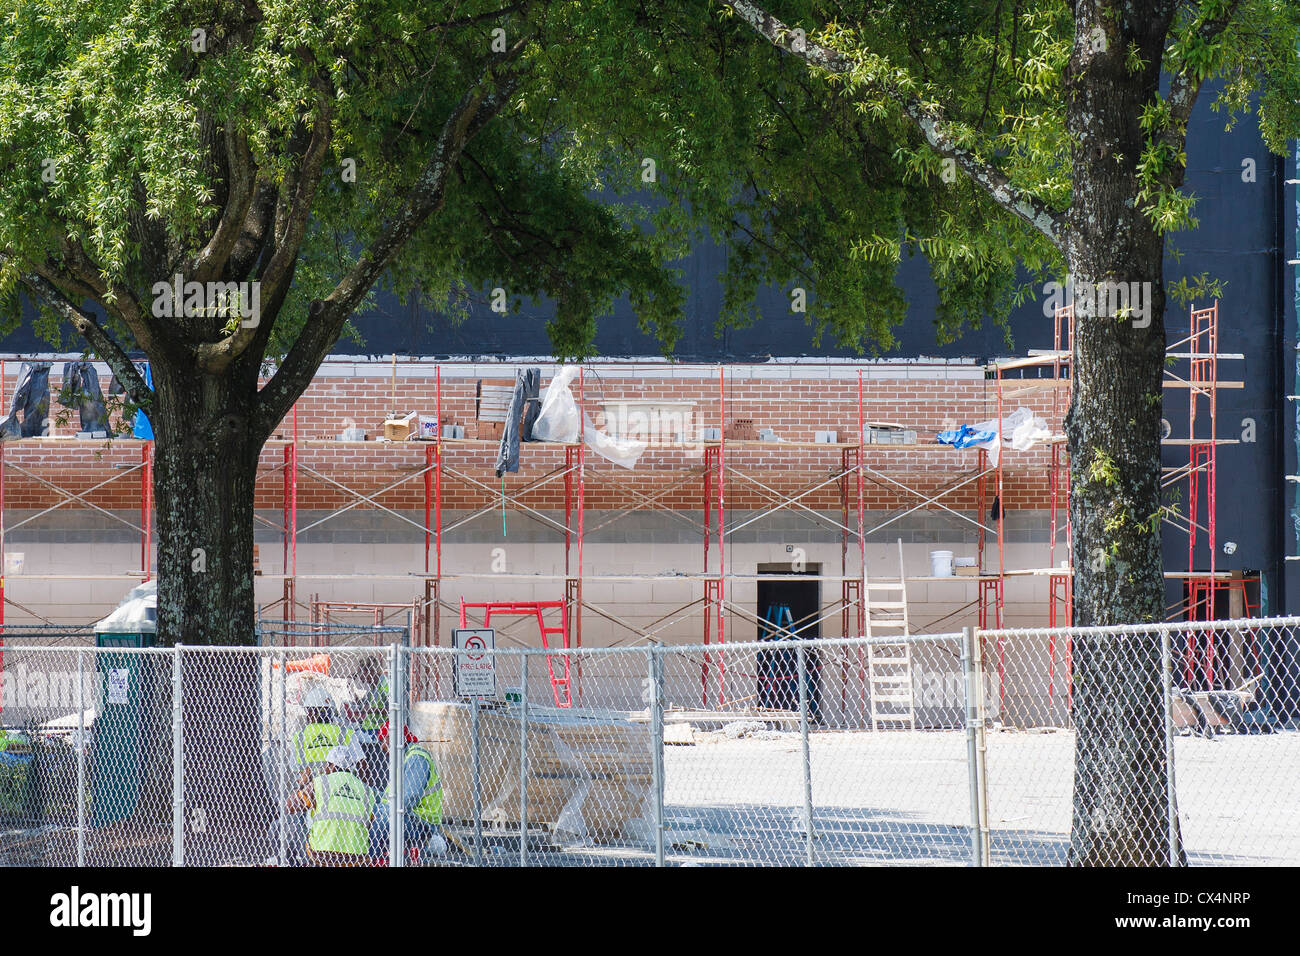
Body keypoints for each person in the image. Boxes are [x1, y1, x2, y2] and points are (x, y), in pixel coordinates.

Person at [284, 742, 375, 867]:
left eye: (326, 765)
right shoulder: (366, 790)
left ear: (331, 766)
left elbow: (289, 807)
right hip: (356, 856)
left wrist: (302, 784)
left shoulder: (321, 782)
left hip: (321, 854)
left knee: (290, 824)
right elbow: (369, 823)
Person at [371, 720, 447, 861]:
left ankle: (373, 861)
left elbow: (408, 799)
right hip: (407, 817)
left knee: (379, 823)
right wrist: (368, 793)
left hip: (421, 822)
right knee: (371, 815)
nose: (382, 747)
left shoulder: (416, 757)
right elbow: (389, 797)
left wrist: (380, 810)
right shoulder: (404, 759)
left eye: (383, 740)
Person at [292, 687, 354, 783]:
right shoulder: (345, 733)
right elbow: (356, 765)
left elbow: (295, 767)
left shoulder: (299, 735)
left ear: (309, 712)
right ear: (330, 711)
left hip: (309, 785)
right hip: (338, 783)